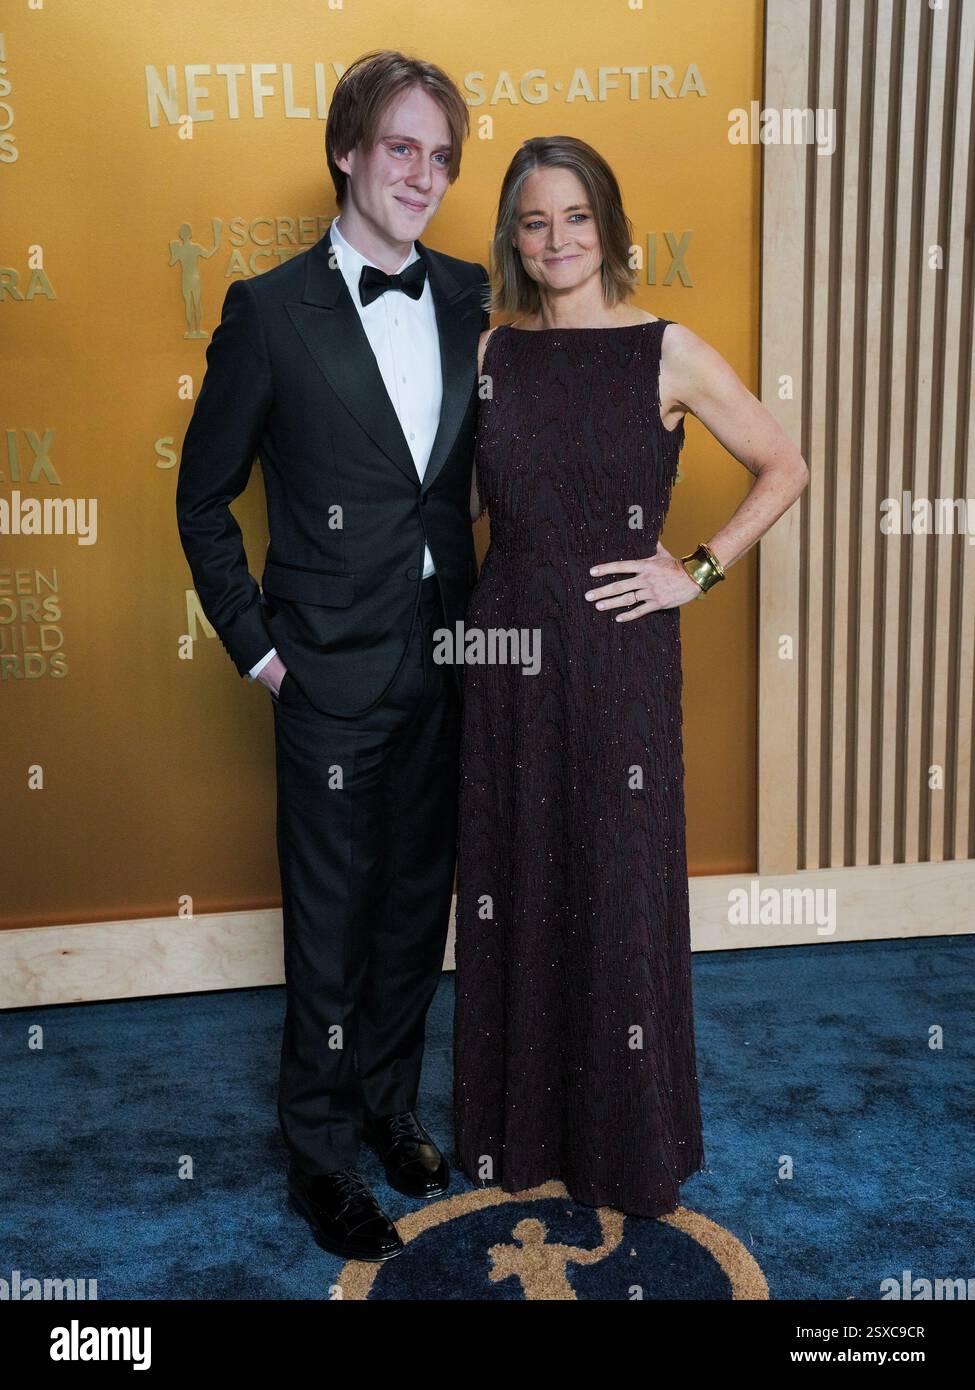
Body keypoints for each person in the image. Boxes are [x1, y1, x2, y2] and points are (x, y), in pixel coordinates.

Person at [453, 135, 809, 1218]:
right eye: (532, 220)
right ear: (513, 237)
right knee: (515, 881)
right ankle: (519, 1131)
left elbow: (784, 464)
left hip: (619, 653)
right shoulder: (491, 355)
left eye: (575, 216)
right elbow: (460, 505)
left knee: (615, 883)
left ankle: (625, 1140)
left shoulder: (667, 350)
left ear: (607, 222)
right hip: (506, 649)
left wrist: (694, 569)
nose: (556, 239)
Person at [176, 49, 489, 1262]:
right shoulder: (267, 310)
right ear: (348, 152)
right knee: (330, 924)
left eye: (441, 155)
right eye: (400, 147)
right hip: (323, 676)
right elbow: (204, 501)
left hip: (446, 660)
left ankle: (388, 1106)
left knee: (416, 909)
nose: (423, 173)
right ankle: (320, 1159)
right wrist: (260, 653)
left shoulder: (468, 295)